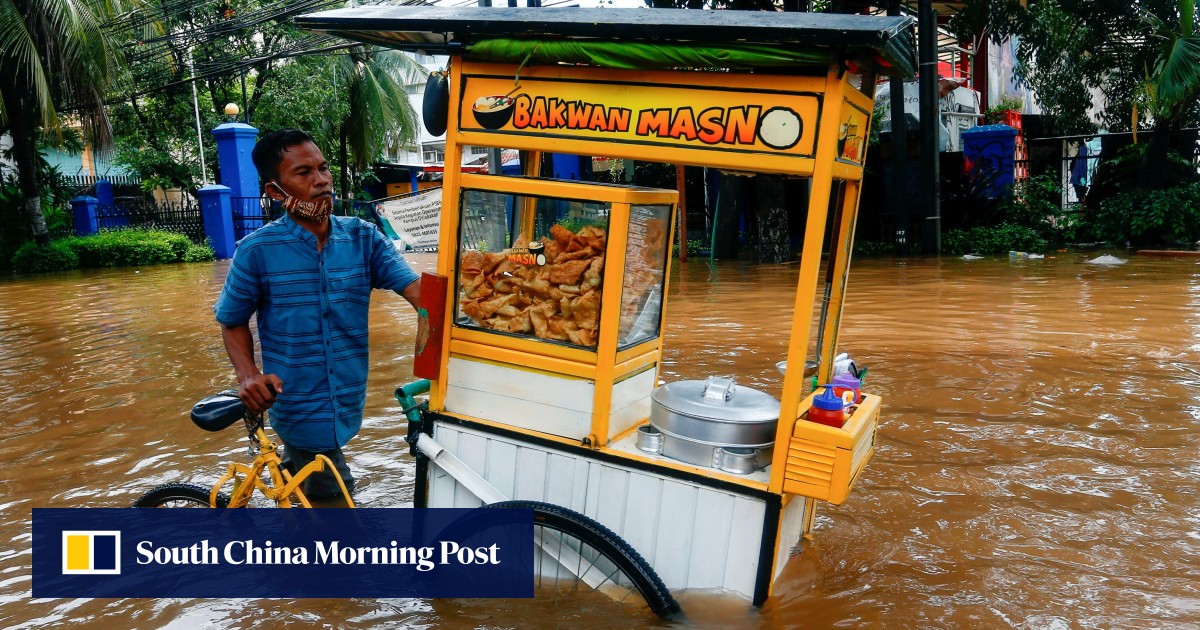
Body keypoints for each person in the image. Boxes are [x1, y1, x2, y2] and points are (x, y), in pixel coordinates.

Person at [213, 128, 420, 502]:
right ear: (276, 191)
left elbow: (418, 293)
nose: (322, 180)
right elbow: (231, 319)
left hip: (348, 397)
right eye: (304, 172)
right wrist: (247, 375)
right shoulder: (256, 251)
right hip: (296, 402)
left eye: (323, 168)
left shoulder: (363, 238)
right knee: (338, 505)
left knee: (305, 500)